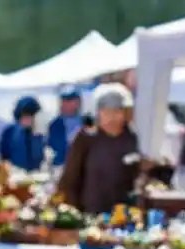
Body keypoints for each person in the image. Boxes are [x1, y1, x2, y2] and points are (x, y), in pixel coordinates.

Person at [57, 83, 139, 214]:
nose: (112, 117)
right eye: (107, 112)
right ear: (98, 113)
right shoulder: (86, 138)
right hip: (91, 213)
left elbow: (136, 175)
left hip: (123, 214)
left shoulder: (131, 138)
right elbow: (69, 179)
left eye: (117, 112)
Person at [0, 96, 45, 172]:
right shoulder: (10, 132)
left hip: (38, 175)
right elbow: (4, 157)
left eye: (31, 116)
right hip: (16, 175)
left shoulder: (42, 134)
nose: (28, 119)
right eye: (24, 116)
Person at [47, 88, 83, 166]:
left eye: (70, 100)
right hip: (62, 166)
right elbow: (53, 148)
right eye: (64, 100)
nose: (66, 104)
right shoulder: (54, 125)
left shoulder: (86, 121)